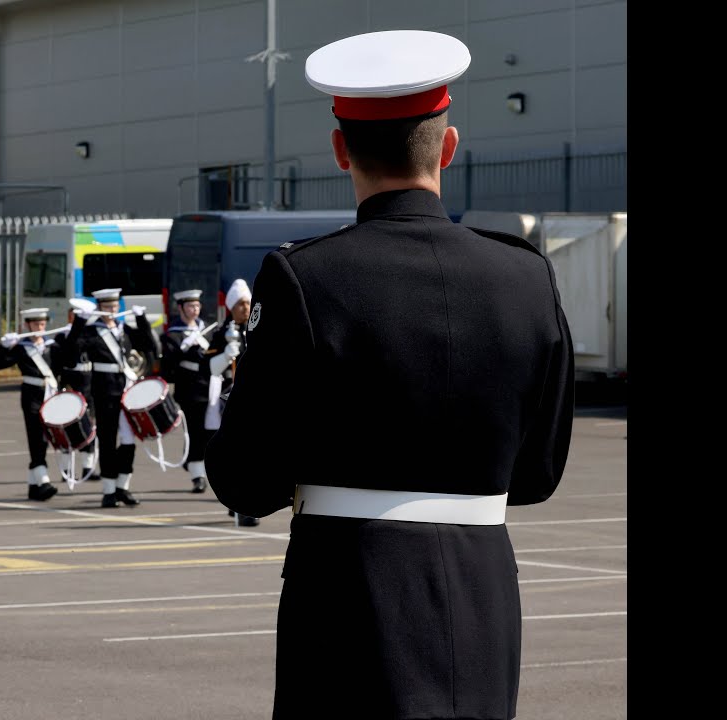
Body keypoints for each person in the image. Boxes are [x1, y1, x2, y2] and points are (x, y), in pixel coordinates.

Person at [204, 30, 574, 720]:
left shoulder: (305, 276)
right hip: (482, 592)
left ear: (342, 150)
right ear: (449, 144)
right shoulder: (526, 276)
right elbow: (537, 474)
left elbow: (243, 481)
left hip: (349, 593)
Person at [69, 288, 156, 508]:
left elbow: (150, 346)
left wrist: (141, 319)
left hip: (126, 390)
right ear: (99, 308)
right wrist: (79, 322)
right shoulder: (91, 332)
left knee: (128, 440)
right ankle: (109, 490)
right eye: (107, 307)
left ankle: (123, 486)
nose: (112, 311)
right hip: (104, 391)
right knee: (107, 440)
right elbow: (70, 353)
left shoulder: (124, 329)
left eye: (115, 307)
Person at [0, 308, 60, 501]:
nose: (40, 327)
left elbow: (67, 363)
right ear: (27, 325)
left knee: (44, 438)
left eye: (42, 324)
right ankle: (44, 481)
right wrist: (4, 347)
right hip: (31, 396)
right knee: (36, 436)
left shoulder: (51, 346)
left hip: (50, 394)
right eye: (36, 324)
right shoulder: (21, 347)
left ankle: (33, 486)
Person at [206, 280, 258, 527]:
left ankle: (246, 504)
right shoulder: (220, 332)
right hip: (229, 398)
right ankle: (238, 506)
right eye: (240, 304)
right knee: (234, 452)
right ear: (230, 307)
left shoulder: (258, 328)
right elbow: (209, 367)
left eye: (248, 302)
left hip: (254, 398)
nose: (245, 308)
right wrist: (227, 354)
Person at [158, 289, 218, 494]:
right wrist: (181, 350)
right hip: (190, 390)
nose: (195, 310)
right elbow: (167, 370)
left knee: (209, 432)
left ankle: (198, 464)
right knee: (194, 432)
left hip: (210, 387)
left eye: (197, 306)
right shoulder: (172, 335)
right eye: (191, 306)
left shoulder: (209, 330)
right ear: (181, 308)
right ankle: (197, 475)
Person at [50, 298, 98, 483]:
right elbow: (63, 361)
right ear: (70, 316)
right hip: (71, 384)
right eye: (76, 314)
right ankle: (67, 469)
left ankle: (88, 467)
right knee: (68, 428)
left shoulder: (89, 334)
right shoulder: (62, 336)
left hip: (89, 384)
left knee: (90, 426)